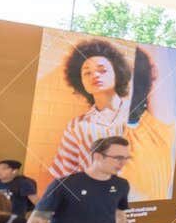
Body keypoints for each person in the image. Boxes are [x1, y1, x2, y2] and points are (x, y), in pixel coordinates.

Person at [48, 39, 132, 181]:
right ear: (80, 81)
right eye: (87, 73)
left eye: (102, 70)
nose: (95, 75)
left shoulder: (139, 116)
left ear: (117, 73)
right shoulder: (76, 126)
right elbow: (67, 175)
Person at [0, 159, 38, 223]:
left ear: (15, 171)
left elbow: (36, 201)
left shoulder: (23, 183)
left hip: (13, 221)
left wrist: (42, 218)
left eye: (3, 168)